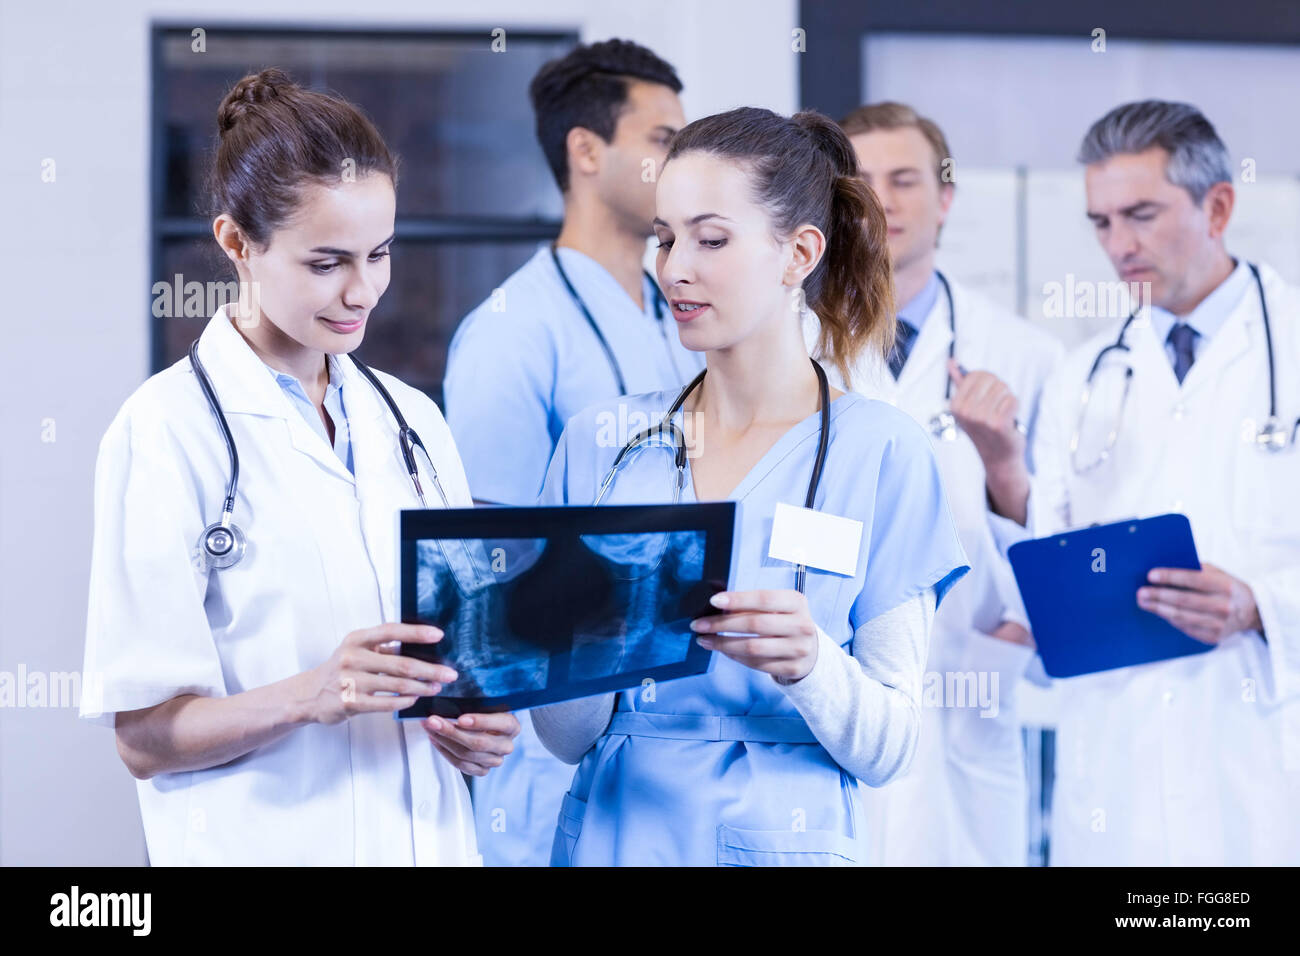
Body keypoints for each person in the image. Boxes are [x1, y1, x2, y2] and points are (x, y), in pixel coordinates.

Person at [79, 69, 518, 866]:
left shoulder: (413, 423)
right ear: (236, 243)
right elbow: (143, 737)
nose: (364, 291)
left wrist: (476, 728)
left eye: (380, 254)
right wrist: (311, 696)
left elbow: (459, 662)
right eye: (326, 263)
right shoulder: (165, 432)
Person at [531, 106, 970, 866]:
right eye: (665, 239)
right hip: (614, 832)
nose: (674, 269)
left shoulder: (883, 452)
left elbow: (890, 748)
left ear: (798, 253)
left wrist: (811, 662)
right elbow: (565, 739)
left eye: (711, 239)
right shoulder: (601, 447)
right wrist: (596, 643)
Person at [955, 100, 1300, 865]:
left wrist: (1260, 606)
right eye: (1101, 223)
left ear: (1219, 205)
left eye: (1140, 215)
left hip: (1264, 765)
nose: (1120, 246)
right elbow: (1051, 576)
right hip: (1119, 775)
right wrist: (1004, 467)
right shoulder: (1087, 378)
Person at [442, 39, 703, 866]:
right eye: (663, 141)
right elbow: (489, 561)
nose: (682, 162)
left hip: (671, 727)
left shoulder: (682, 315)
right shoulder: (512, 330)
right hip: (549, 733)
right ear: (586, 151)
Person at [811, 101, 1064, 866]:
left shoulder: (1028, 354)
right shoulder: (788, 346)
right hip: (827, 697)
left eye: (907, 179)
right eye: (862, 180)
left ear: (946, 197)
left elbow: (1065, 550)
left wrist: (1003, 465)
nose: (884, 199)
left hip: (969, 696)